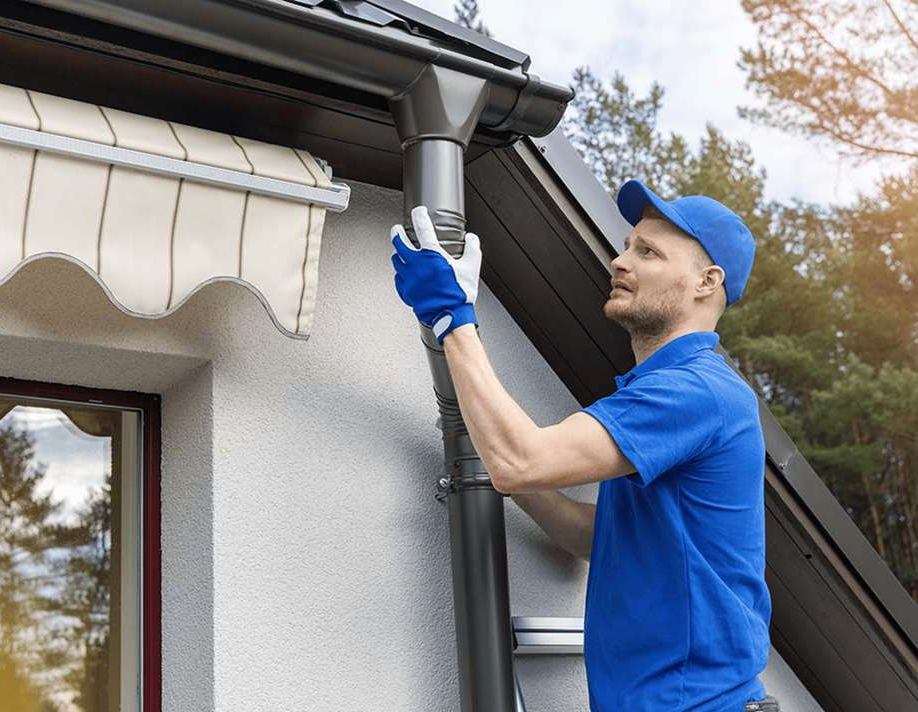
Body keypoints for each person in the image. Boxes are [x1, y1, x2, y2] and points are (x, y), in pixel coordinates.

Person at [390, 178, 779, 712]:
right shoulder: (661, 393)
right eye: (626, 246)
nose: (620, 262)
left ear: (706, 282)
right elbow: (591, 536)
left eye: (647, 252)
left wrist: (451, 317)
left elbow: (521, 461)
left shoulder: (694, 392)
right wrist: (488, 448)